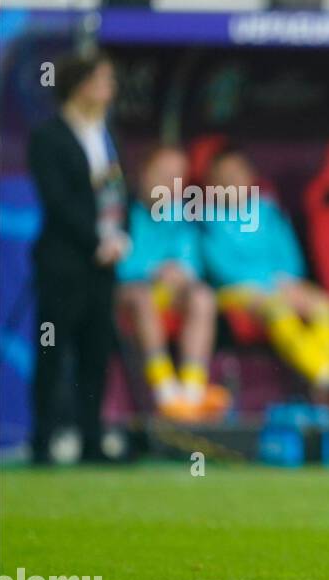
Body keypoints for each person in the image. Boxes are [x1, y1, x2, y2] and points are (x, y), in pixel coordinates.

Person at [27, 49, 128, 464]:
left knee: (95, 352)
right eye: (103, 80)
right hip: (64, 262)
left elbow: (117, 193)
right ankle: (43, 441)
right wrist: (94, 241)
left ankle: (91, 440)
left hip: (103, 265)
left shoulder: (105, 136)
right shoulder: (49, 137)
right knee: (53, 350)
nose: (110, 89)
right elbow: (58, 201)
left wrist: (121, 237)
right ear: (81, 84)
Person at [200, 145, 329, 401]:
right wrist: (269, 285)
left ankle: (324, 375)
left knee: (326, 305)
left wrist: (287, 282)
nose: (230, 183)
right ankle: (328, 378)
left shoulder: (267, 212)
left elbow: (289, 256)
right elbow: (220, 267)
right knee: (278, 308)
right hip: (234, 291)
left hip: (278, 285)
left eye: (236, 176)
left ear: (249, 178)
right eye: (222, 178)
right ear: (211, 183)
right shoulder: (206, 219)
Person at [116, 144, 229, 422]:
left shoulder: (181, 215)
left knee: (202, 297)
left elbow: (191, 263)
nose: (170, 185)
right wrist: (152, 270)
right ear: (143, 174)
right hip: (128, 295)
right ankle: (165, 392)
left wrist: (180, 272)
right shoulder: (123, 212)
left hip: (169, 295)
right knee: (141, 296)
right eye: (163, 175)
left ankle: (190, 393)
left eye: (177, 178)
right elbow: (117, 265)